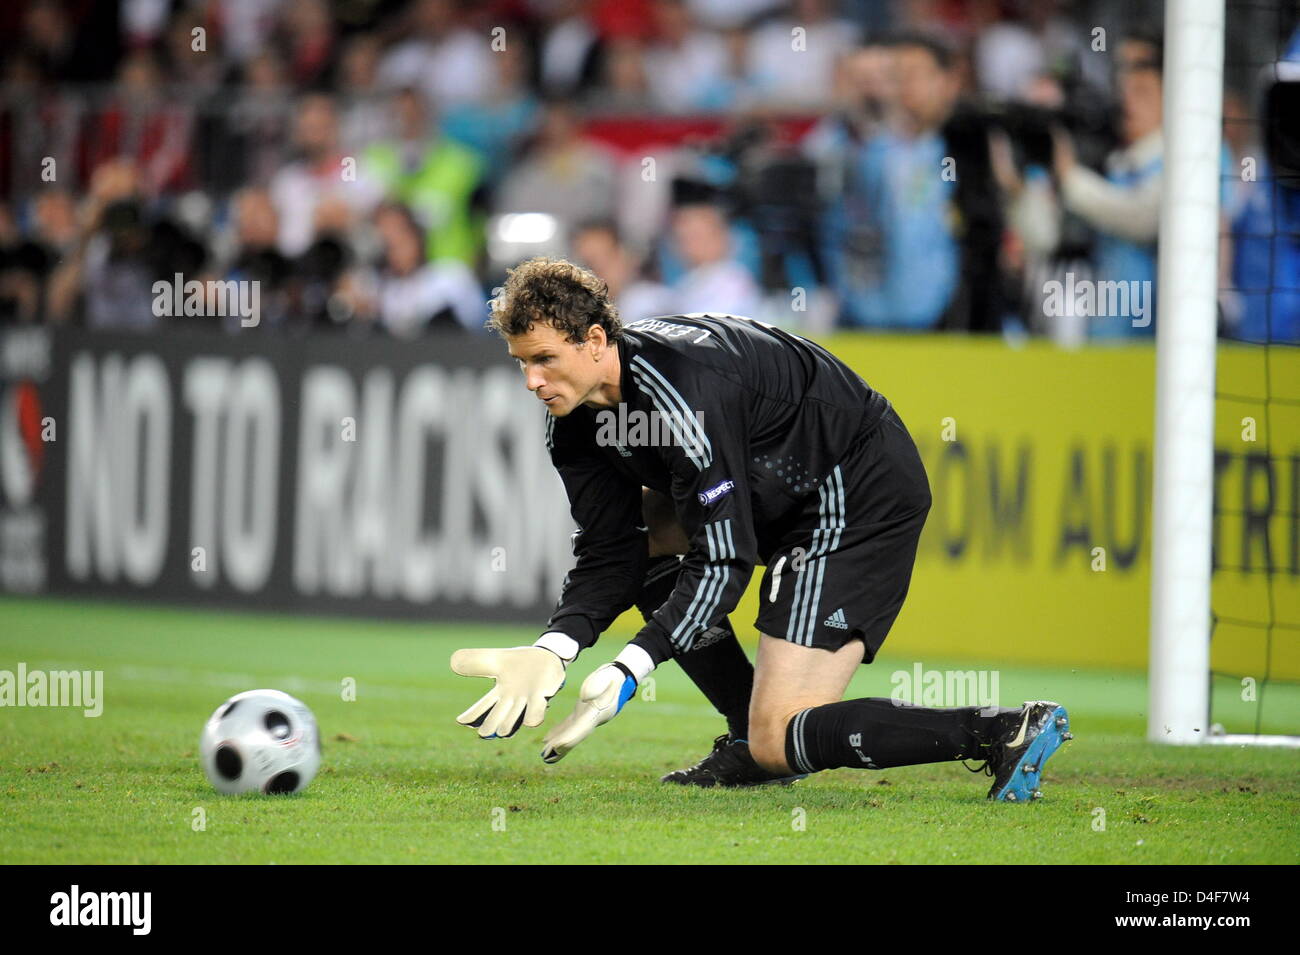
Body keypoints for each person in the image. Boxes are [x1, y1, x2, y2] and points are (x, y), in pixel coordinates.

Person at [449, 257, 1072, 800]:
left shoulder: (682, 389)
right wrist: (556, 647)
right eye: (521, 364)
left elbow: (724, 558)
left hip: (853, 484)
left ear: (592, 339)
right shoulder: (577, 421)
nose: (531, 381)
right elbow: (615, 548)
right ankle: (752, 737)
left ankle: (1001, 730)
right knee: (654, 533)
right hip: (775, 488)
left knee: (782, 736)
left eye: (544, 359)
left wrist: (634, 665)